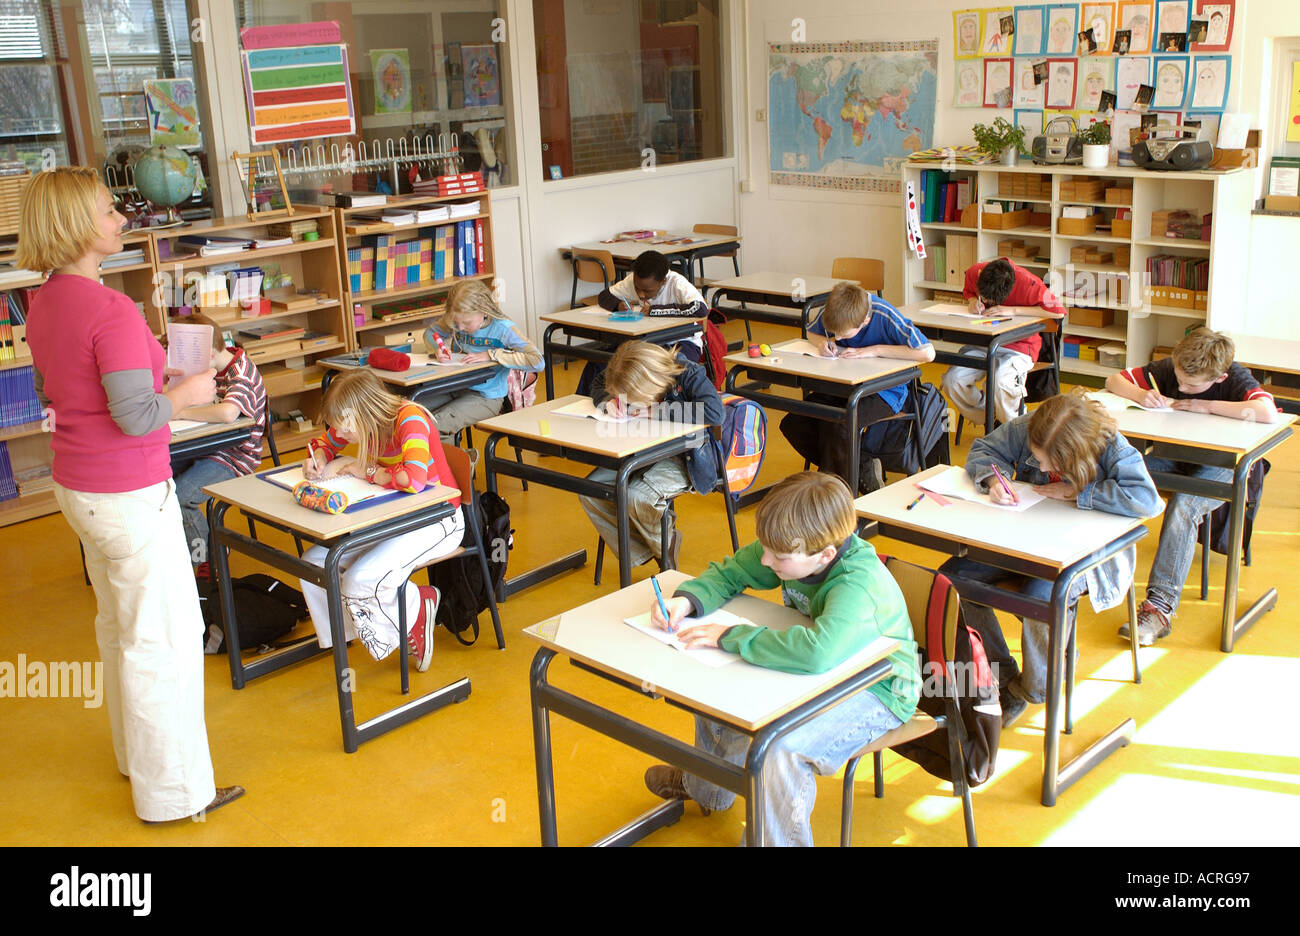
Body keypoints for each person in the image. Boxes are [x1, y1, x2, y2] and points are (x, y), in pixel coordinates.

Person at [17, 166, 243, 822]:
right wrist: (191, 393)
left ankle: (132, 759)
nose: (121, 219)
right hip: (129, 494)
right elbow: (138, 417)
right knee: (164, 642)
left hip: (80, 490)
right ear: (73, 228)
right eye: (108, 211)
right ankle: (172, 796)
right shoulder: (108, 308)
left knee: (119, 628)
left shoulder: (47, 303)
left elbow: (63, 393)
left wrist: (181, 391)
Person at [641, 471, 920, 847]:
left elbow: (817, 652)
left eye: (780, 557)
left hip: (880, 689)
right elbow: (736, 569)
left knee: (780, 748)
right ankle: (707, 788)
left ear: (825, 554)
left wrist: (730, 636)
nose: (767, 560)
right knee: (715, 680)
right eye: (766, 548)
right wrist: (688, 600)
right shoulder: (794, 545)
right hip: (827, 666)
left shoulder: (858, 584)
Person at [939, 393, 1161, 726]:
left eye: (1048, 462)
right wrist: (992, 480)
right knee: (952, 581)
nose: (1040, 467)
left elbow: (1147, 499)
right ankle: (1003, 678)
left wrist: (1079, 493)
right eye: (1037, 458)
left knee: (1040, 597)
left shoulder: (1111, 447)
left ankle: (1033, 689)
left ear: (1073, 454)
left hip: (1089, 554)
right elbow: (985, 449)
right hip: (1028, 540)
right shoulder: (1035, 427)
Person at [1104, 329, 1278, 645]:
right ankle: (1091, 570)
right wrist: (1142, 395)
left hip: (1225, 464)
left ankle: (1159, 608)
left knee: (1185, 503)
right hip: (1176, 456)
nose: (1182, 387)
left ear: (1221, 377)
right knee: (1120, 472)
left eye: (1192, 386)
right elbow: (1114, 381)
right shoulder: (1175, 365)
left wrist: (1206, 406)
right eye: (1180, 380)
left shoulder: (1236, 379)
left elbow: (1266, 412)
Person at [299, 370, 465, 671]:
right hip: (392, 515)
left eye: (347, 430)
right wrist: (319, 459)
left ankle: (416, 607)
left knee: (359, 578)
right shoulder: (358, 421)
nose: (344, 437)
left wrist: (369, 472)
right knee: (315, 563)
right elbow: (327, 442)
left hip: (439, 519)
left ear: (362, 413)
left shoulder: (409, 419)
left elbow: (413, 480)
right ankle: (354, 634)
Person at [578, 341, 722, 571]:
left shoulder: (687, 373)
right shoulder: (624, 369)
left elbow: (715, 412)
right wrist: (607, 403)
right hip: (643, 450)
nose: (630, 402)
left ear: (651, 383)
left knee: (637, 496)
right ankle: (652, 549)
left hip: (686, 455)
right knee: (590, 490)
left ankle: (665, 544)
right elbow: (597, 383)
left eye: (634, 397)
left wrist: (656, 411)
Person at [779, 282, 933, 493]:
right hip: (844, 385)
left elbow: (927, 352)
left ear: (865, 321)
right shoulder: (836, 308)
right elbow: (811, 332)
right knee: (794, 422)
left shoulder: (884, 314)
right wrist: (823, 343)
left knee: (839, 424)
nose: (839, 338)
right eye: (835, 333)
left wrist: (875, 350)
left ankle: (835, 494)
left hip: (886, 392)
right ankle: (861, 465)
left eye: (843, 334)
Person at [170, 312, 267, 577]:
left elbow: (227, 413)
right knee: (153, 479)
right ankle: (182, 545)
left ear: (210, 353)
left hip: (234, 457)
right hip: (206, 446)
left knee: (181, 496)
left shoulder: (241, 372)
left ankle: (206, 555)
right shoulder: (212, 366)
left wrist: (179, 412)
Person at [940, 258, 1065, 430]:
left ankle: (1017, 432)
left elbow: (1058, 312)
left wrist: (1013, 310)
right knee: (952, 381)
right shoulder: (975, 272)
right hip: (983, 343)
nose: (985, 300)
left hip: (1019, 347)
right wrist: (972, 303)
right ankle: (989, 414)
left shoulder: (1029, 283)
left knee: (1000, 383)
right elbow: (968, 292)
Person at [422, 279, 543, 444]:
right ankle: (456, 461)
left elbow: (537, 361)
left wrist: (493, 354)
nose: (460, 328)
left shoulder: (503, 329)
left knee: (434, 426)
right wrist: (438, 348)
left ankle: (460, 466)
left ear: (484, 311)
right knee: (412, 414)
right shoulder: (457, 319)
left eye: (466, 323)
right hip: (454, 387)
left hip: (486, 397)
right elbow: (430, 333)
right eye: (455, 323)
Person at [597, 249, 708, 362]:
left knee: (667, 371)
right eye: (637, 288)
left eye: (647, 291)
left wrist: (655, 310)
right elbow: (604, 295)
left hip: (682, 342)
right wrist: (618, 305)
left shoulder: (676, 283)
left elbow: (700, 309)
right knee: (598, 363)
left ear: (663, 281)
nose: (640, 295)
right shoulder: (634, 280)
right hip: (648, 342)